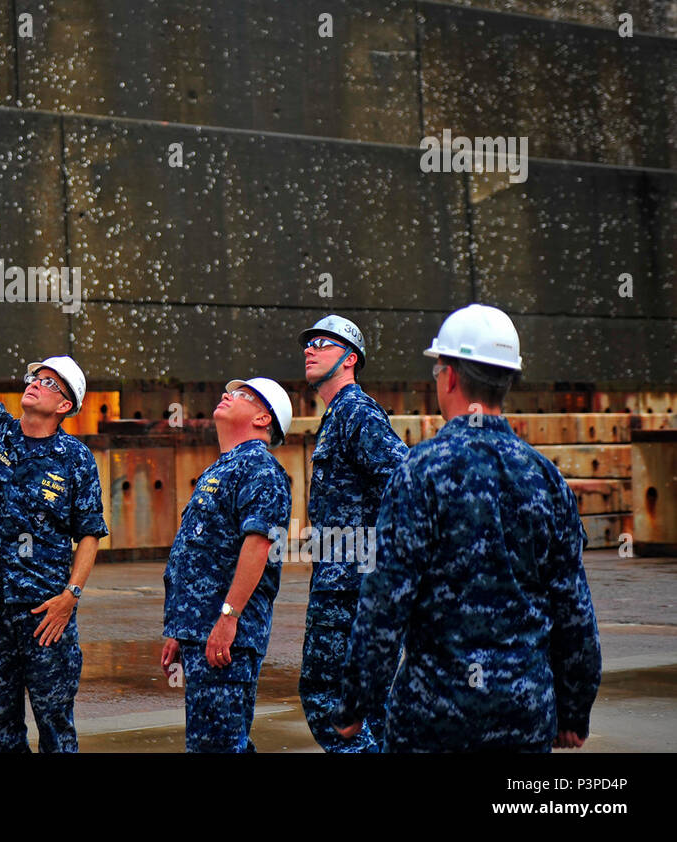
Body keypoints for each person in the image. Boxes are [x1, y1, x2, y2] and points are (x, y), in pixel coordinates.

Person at [334, 304, 601, 752]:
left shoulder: (420, 472)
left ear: (451, 376)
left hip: (433, 718)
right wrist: (574, 709)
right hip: (524, 715)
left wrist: (356, 703)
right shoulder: (545, 477)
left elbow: (384, 603)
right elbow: (574, 609)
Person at [0, 254, 108, 753]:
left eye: (48, 382)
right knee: (0, 732)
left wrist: (70, 597)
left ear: (64, 405)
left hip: (45, 612)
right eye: (35, 376)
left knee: (57, 730)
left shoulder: (76, 459)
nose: (35, 383)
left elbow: (90, 535)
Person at [160, 376, 293, 753]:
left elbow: (258, 545)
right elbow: (197, 554)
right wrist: (178, 629)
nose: (226, 395)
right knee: (213, 743)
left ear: (263, 418)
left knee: (219, 745)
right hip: (200, 632)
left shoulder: (260, 469)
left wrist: (229, 616)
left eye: (241, 395)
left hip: (227, 636)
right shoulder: (223, 467)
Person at [297, 315, 407, 752]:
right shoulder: (338, 415)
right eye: (308, 343)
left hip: (351, 585)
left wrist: (381, 561)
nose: (309, 349)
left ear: (349, 358)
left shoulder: (356, 412)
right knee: (371, 705)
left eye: (322, 343)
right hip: (346, 580)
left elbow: (404, 481)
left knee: (327, 694)